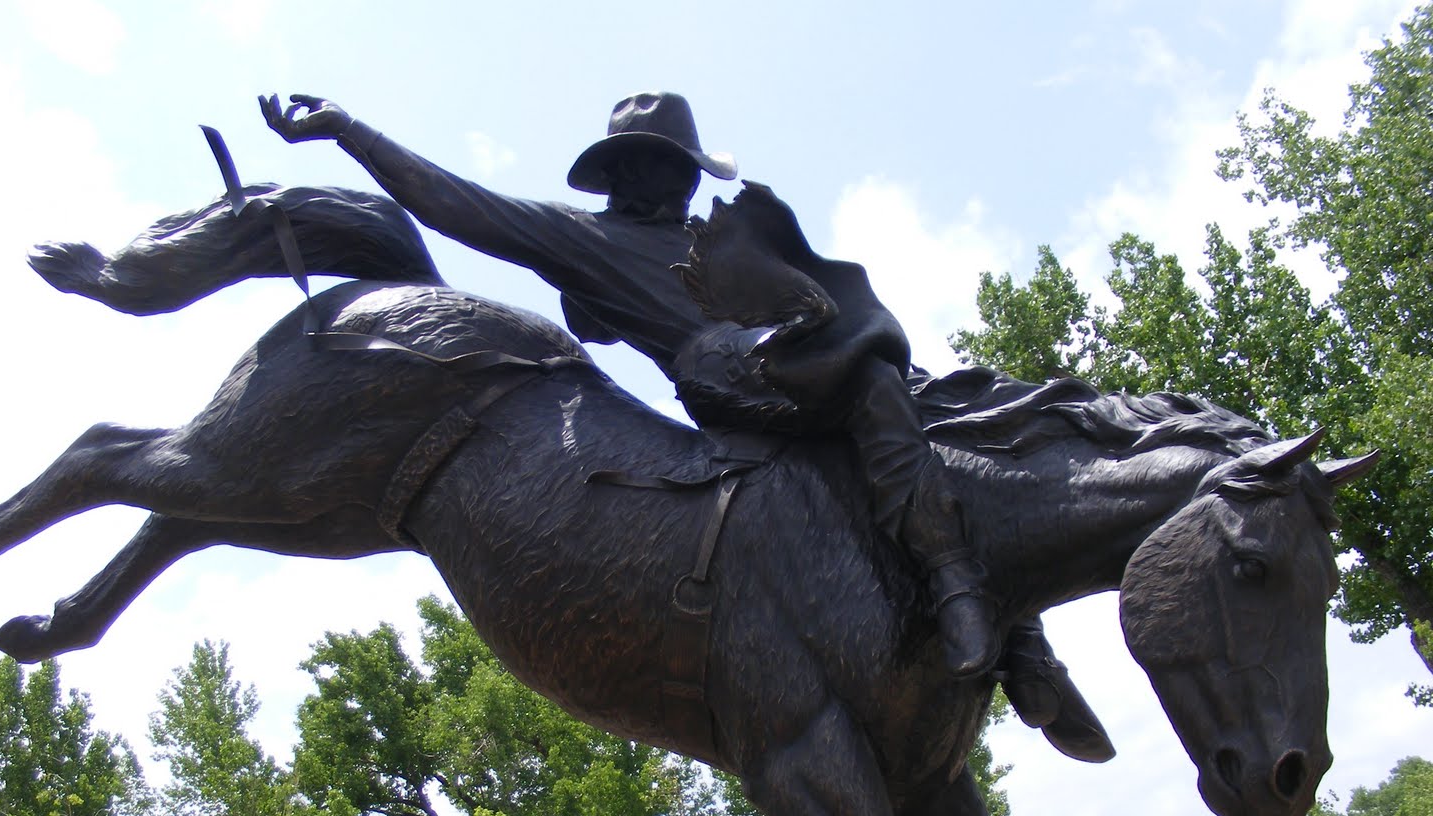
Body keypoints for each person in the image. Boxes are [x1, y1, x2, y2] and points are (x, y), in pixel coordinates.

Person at [256, 91, 1109, 753]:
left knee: (949, 418)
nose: (660, 179)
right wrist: (349, 131)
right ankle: (965, 590)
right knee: (876, 384)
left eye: (670, 164)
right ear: (620, 173)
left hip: (797, 359)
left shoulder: (719, 239)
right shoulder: (581, 237)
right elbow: (457, 203)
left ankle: (1021, 648)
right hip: (730, 374)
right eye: (641, 164)